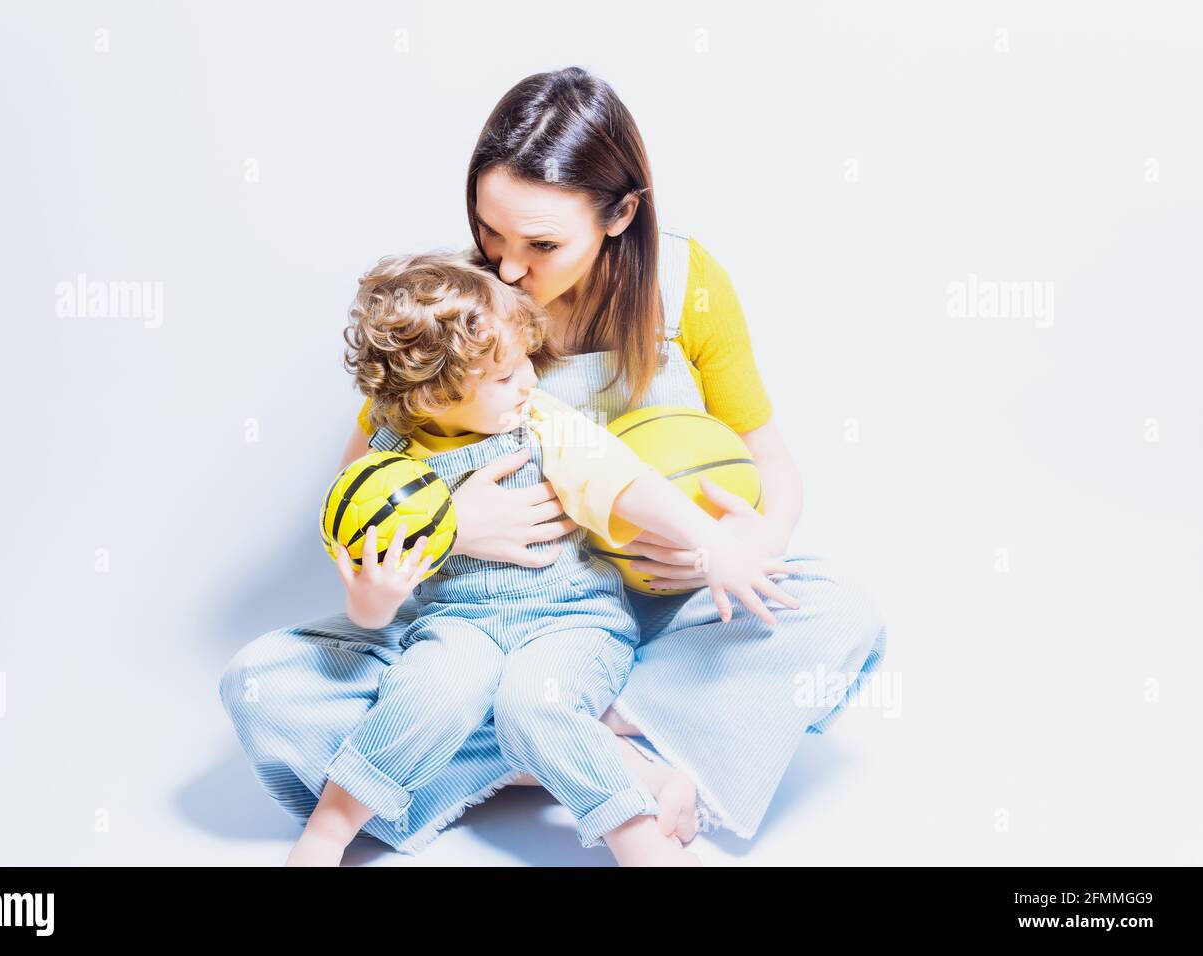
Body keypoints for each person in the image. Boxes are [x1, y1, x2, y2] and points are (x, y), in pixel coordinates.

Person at [220, 66, 888, 858]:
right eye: (489, 232)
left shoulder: (688, 284)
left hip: (638, 609)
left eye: (540, 244)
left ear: (621, 213)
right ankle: (593, 746)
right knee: (262, 686)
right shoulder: (453, 313)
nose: (506, 268)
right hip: (472, 617)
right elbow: (359, 497)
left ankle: (523, 735)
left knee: (841, 613)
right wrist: (451, 526)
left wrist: (741, 553)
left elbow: (769, 460)